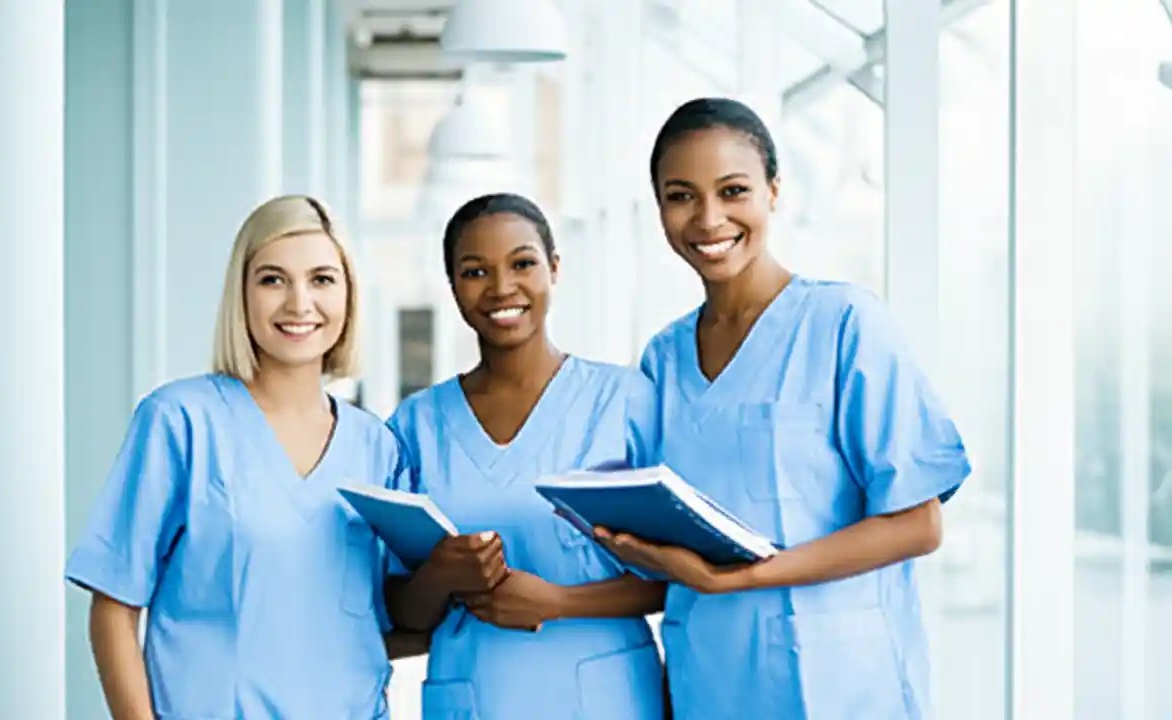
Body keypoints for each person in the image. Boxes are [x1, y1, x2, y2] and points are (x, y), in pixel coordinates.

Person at [597, 97, 972, 719]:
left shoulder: (844, 324)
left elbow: (919, 523)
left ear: (774, 191)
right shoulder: (663, 359)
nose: (709, 218)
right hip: (711, 680)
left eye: (733, 190)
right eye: (681, 195)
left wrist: (741, 578)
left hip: (842, 684)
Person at [65, 195, 412, 719]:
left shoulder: (376, 446)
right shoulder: (180, 421)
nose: (300, 303)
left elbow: (379, 621)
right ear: (242, 294)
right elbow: (113, 607)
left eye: (322, 279)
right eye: (273, 279)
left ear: (349, 296)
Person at [384, 193, 668, 719]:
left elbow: (681, 577)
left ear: (554, 269)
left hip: (605, 697)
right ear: (452, 286)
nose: (501, 288)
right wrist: (439, 575)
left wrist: (560, 603)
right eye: (475, 271)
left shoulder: (627, 402)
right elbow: (401, 610)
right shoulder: (415, 426)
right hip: (473, 695)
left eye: (522, 263)